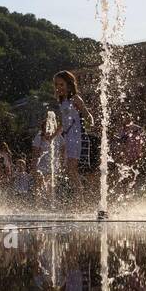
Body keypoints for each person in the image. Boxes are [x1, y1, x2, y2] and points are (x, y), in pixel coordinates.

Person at [53, 71, 92, 204]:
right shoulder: (62, 102)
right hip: (68, 137)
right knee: (70, 170)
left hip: (77, 136)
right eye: (57, 85)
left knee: (71, 169)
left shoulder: (75, 98)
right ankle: (79, 197)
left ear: (69, 85)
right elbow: (64, 123)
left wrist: (92, 123)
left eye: (62, 84)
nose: (59, 87)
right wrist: (53, 135)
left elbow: (88, 115)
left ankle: (80, 199)